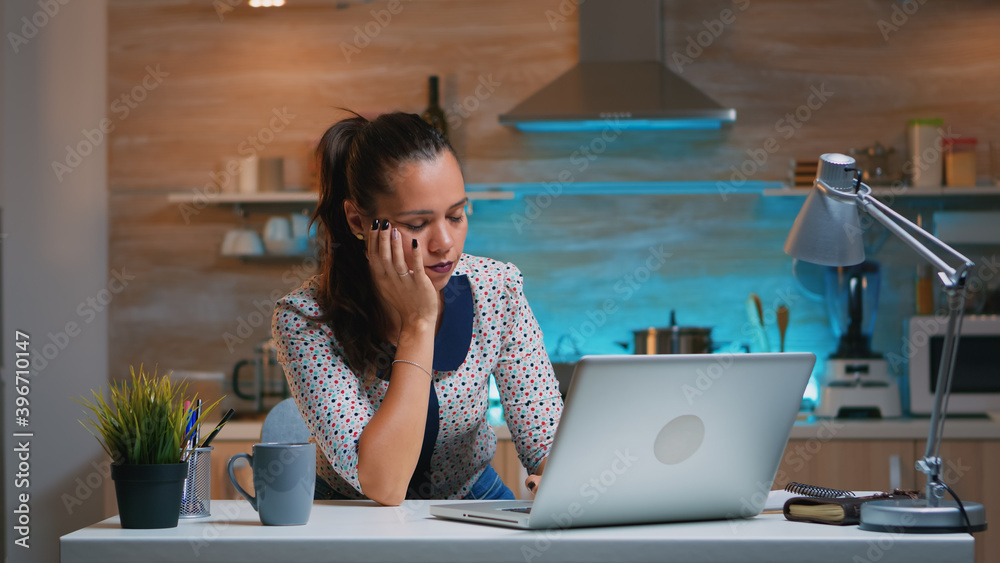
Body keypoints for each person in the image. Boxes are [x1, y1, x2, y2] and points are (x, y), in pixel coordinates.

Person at [271, 111, 564, 506]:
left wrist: (560, 473)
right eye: (417, 224)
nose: (445, 243)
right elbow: (384, 484)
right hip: (350, 510)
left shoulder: (497, 290)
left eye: (456, 215)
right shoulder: (304, 319)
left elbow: (546, 441)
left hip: (471, 497)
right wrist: (418, 322)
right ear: (358, 220)